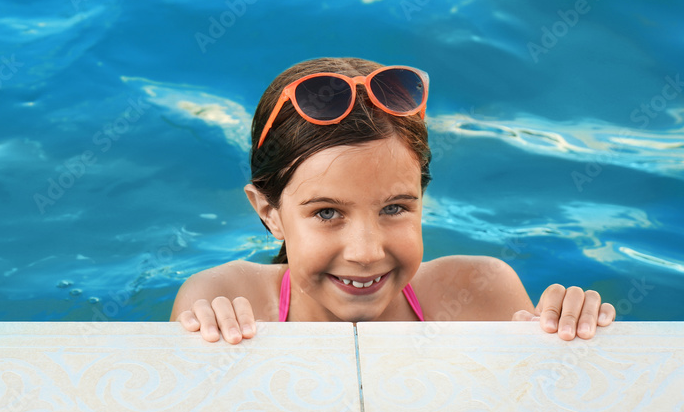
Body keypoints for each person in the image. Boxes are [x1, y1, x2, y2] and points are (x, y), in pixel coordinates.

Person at [170, 57, 615, 343]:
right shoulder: (223, 301)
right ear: (269, 212)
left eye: (394, 208)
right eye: (327, 212)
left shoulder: (481, 296)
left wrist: (572, 338)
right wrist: (209, 350)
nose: (366, 253)